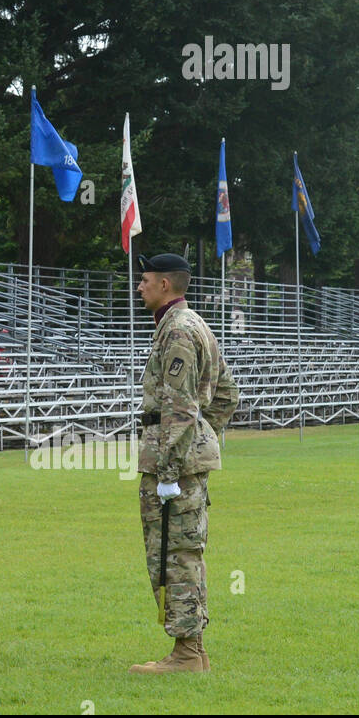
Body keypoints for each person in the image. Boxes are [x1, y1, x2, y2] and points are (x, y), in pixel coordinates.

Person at [129, 252, 239, 675]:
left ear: (164, 285)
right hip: (181, 458)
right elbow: (227, 394)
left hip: (171, 466)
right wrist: (203, 438)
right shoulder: (194, 325)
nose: (139, 286)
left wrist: (172, 469)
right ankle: (191, 649)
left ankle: (187, 654)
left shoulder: (177, 330)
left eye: (145, 280)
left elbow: (178, 407)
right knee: (182, 551)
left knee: (175, 555)